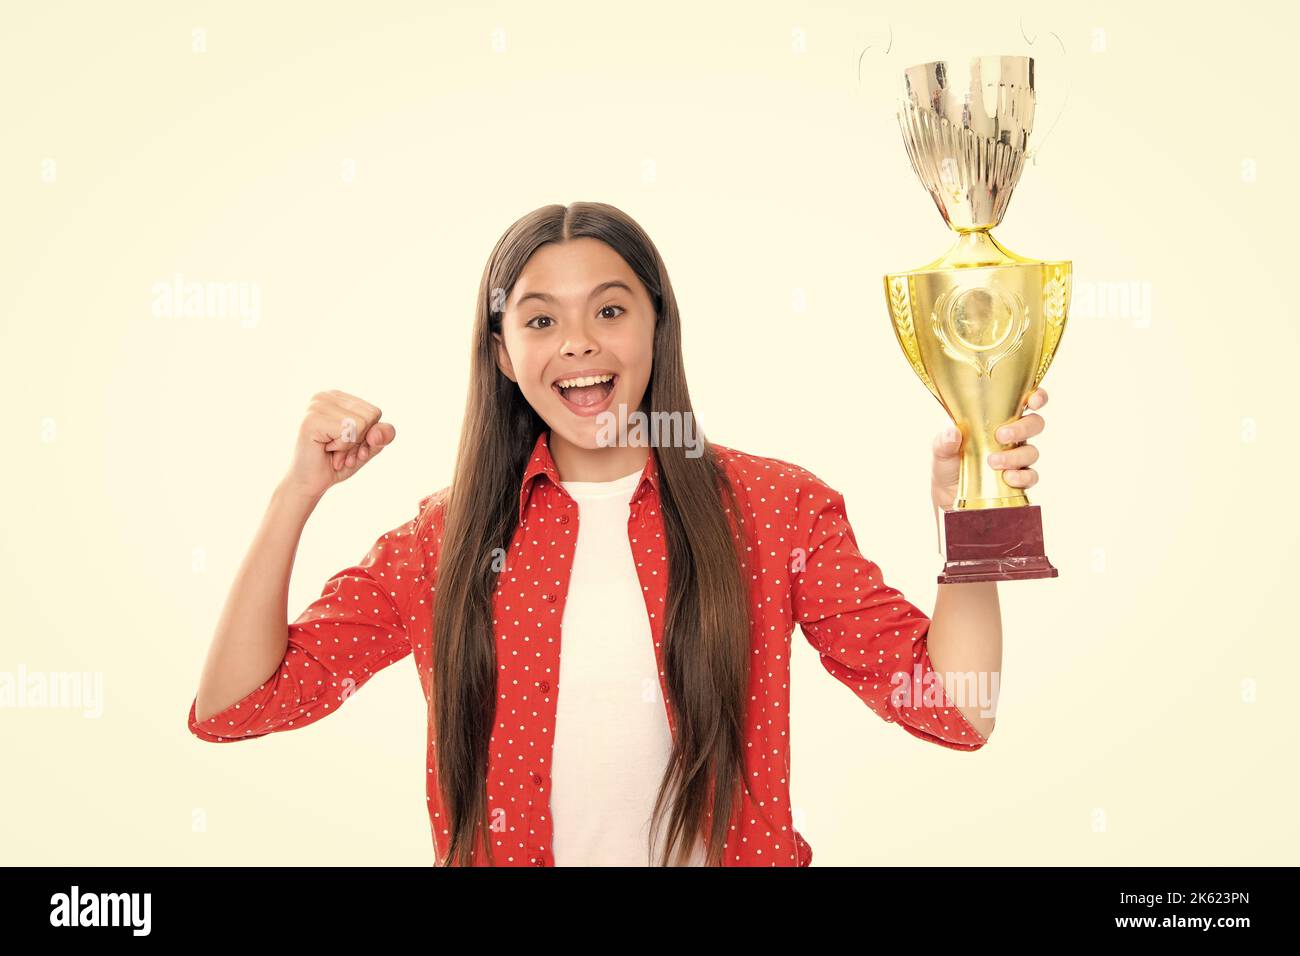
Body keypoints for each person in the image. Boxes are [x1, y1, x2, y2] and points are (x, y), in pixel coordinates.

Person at [187, 201, 1049, 867]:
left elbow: (954, 710)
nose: (577, 345)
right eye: (538, 321)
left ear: (656, 325)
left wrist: (975, 516)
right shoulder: (442, 541)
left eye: (609, 311)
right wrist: (297, 493)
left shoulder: (774, 508)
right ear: (500, 353)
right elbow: (236, 708)